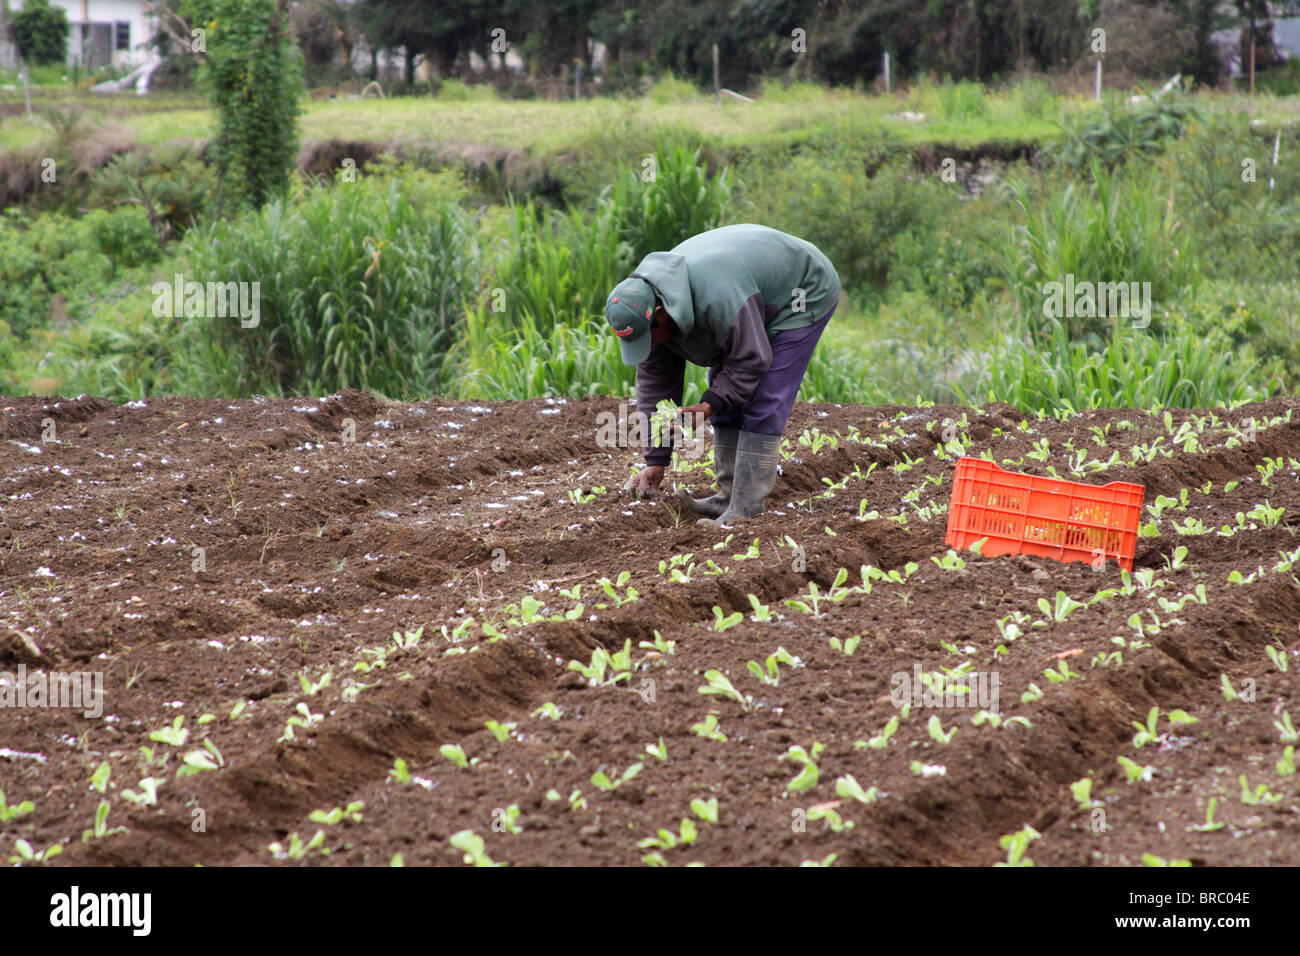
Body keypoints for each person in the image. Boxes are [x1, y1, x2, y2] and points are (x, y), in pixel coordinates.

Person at [604, 223, 841, 526]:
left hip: (802, 290)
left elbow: (750, 360)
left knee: (763, 398)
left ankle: (745, 506)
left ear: (661, 316)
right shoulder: (645, 306)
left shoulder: (718, 300)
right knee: (723, 391)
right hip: (746, 288)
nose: (647, 348)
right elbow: (655, 386)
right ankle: (727, 496)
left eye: (647, 339)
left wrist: (708, 405)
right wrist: (656, 461)